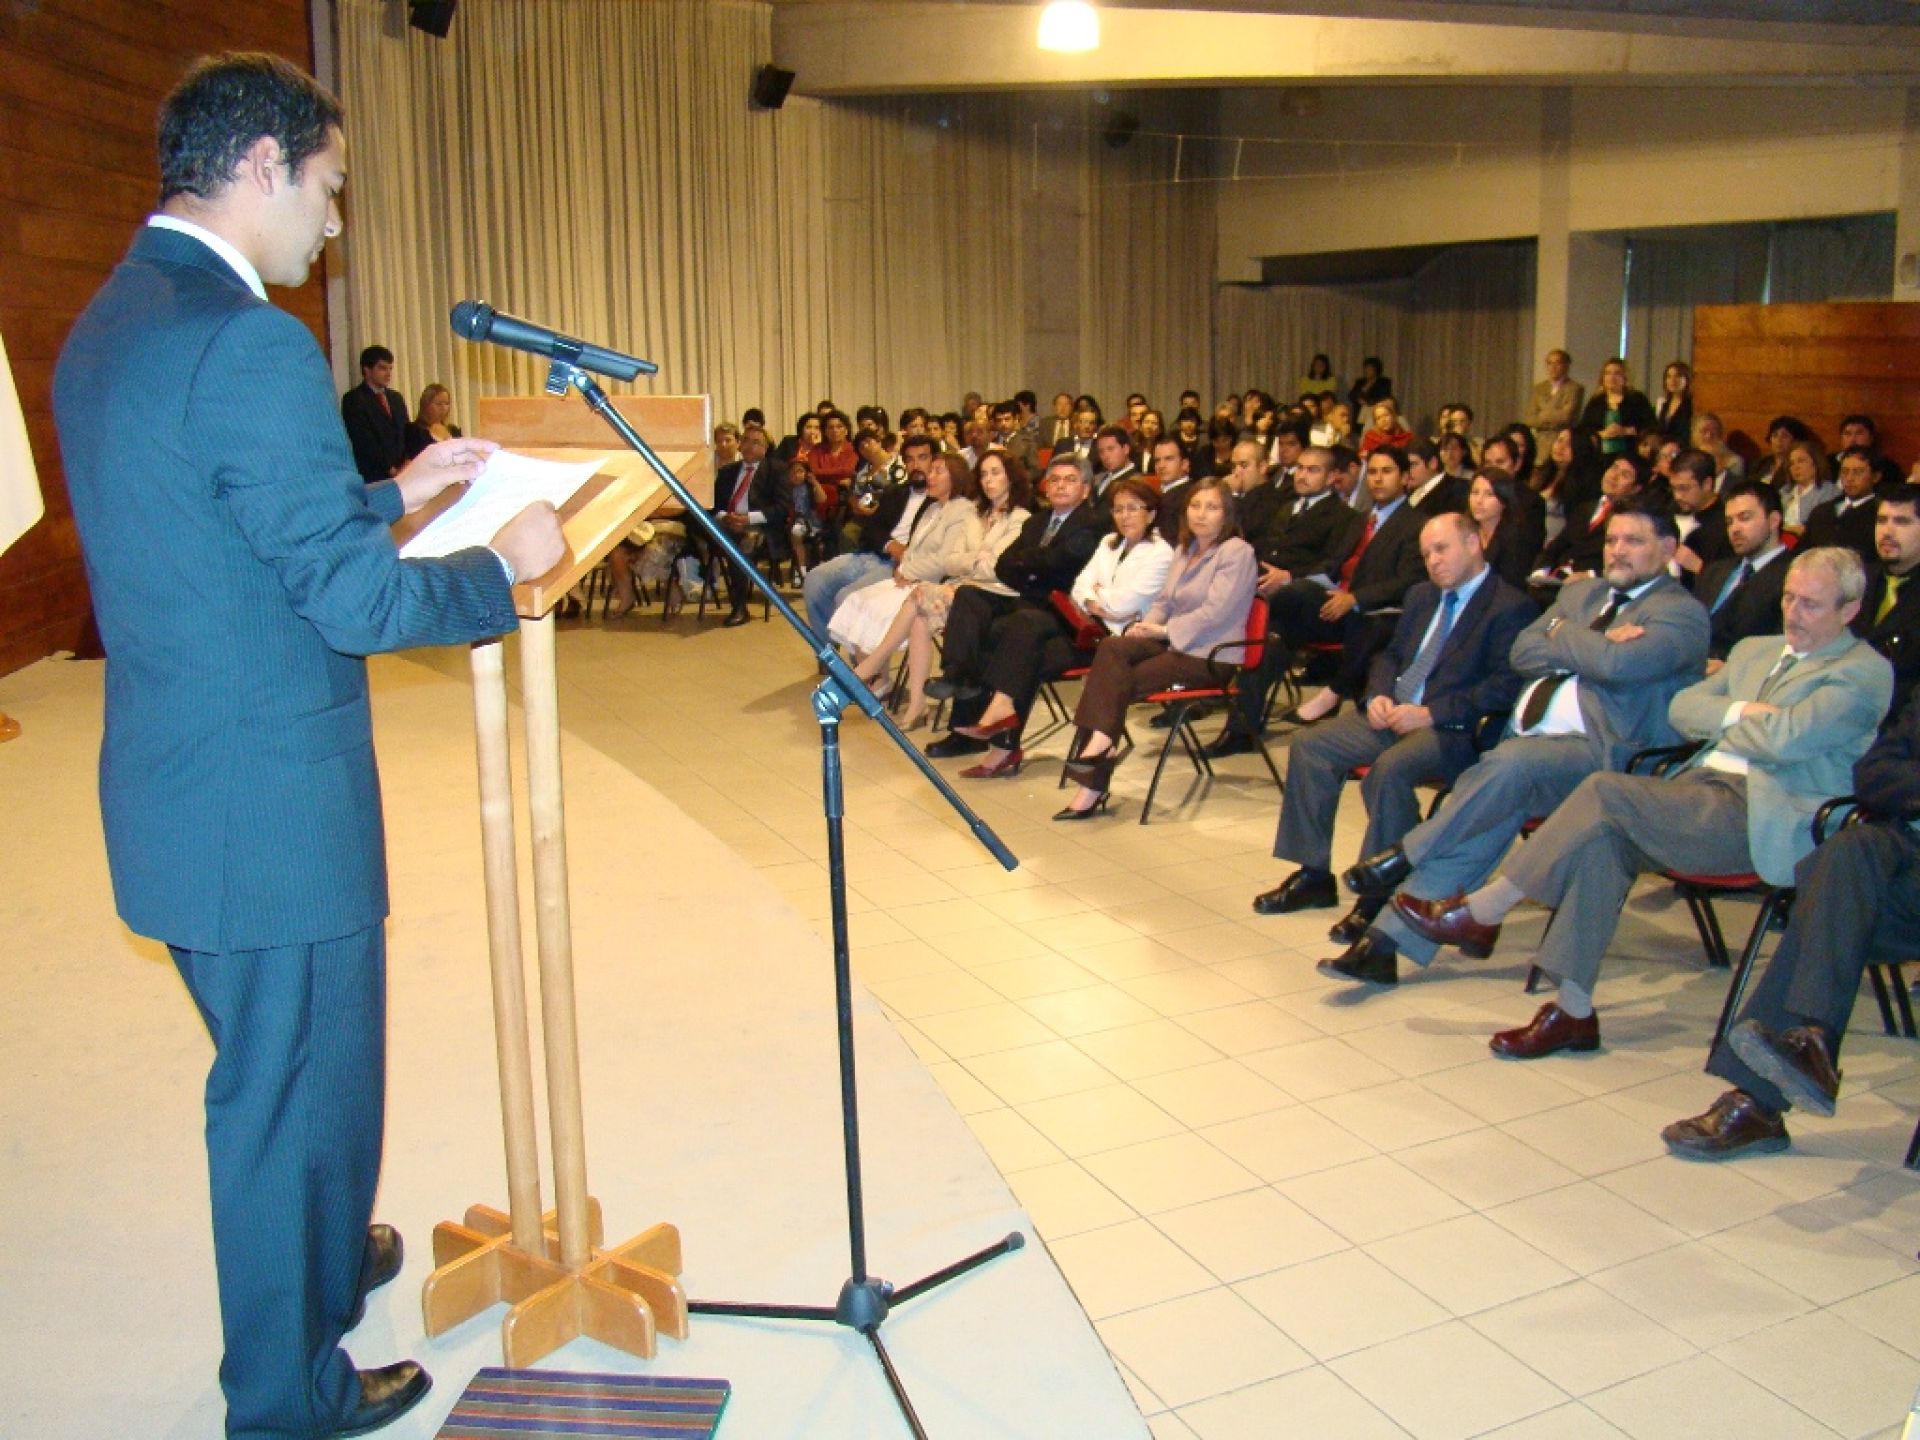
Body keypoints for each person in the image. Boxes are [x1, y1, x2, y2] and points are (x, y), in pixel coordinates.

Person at [52, 52, 567, 1440]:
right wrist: (506, 573)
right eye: (331, 188)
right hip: (263, 816)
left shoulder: (117, 316)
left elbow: (219, 517)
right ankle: (285, 1398)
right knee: (286, 1103)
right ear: (267, 164)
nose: (334, 224)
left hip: (186, 789)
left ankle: (327, 1263)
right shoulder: (247, 338)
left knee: (308, 1080)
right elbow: (351, 604)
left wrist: (387, 487)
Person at [1394, 548, 1889, 1060]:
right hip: (1695, 792)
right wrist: (1744, 711)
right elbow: (1683, 708)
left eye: (1810, 604)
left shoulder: (1862, 672)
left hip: (1761, 815)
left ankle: (1486, 908)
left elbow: (1786, 740)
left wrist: (1727, 717)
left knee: (1606, 790)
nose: (1792, 612)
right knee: (1603, 841)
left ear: (1849, 610)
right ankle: (1573, 1012)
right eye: (1788, 597)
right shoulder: (1754, 651)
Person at [1324, 502, 1710, 986]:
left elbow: (1618, 667)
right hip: (1538, 748)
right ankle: (1383, 946)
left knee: (1508, 766)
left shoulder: (1682, 614)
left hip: (1609, 751)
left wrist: (1561, 633)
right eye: (1612, 540)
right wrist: (1596, 640)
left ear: (1668, 549)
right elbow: (1524, 650)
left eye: (1633, 541)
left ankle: (1407, 854)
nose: (1617, 551)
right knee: (1489, 810)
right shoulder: (1586, 593)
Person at [1252, 513, 1535, 941]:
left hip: (1452, 728)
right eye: (1426, 554)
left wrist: (1431, 713)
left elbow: (1504, 687)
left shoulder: (1511, 606)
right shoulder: (1423, 596)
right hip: (1395, 711)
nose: (1433, 562)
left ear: (1474, 543)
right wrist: (1379, 694)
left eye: (1442, 549)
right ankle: (1313, 873)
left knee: (1390, 770)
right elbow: (1390, 655)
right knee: (1311, 746)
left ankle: (1377, 895)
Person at [1666, 691, 1920, 1157]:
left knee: (1825, 911)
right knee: (1844, 855)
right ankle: (1813, 1042)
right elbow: (1873, 772)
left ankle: (1761, 1099)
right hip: (1904, 849)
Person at [1056, 478, 1256, 819]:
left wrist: (1162, 631)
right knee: (1113, 648)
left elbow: (1215, 612)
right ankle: (1099, 753)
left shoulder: (1237, 552)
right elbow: (1164, 601)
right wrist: (1144, 627)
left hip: (1210, 654)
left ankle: (1092, 777)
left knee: (1112, 683)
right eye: (1195, 505)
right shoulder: (1185, 549)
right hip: (1174, 644)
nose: (1201, 514)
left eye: (1212, 507)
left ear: (1227, 513)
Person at [947, 476, 1172, 777]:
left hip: (1121, 642)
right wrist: (1096, 598)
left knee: (1026, 637)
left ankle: (1003, 738)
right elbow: (1079, 587)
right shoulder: (1108, 543)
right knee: (1023, 640)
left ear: (1152, 513)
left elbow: (1122, 605)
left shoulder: (1161, 553)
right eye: (1118, 509)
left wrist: (1096, 598)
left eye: (1133, 508)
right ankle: (1002, 727)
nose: (1124, 516)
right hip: (1088, 631)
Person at [925, 455, 1108, 761]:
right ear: (1046, 487)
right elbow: (1004, 565)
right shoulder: (1037, 521)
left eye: (1070, 480)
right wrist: (1036, 565)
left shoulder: (1092, 524)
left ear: (1086, 489)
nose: (1061, 486)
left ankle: (986, 733)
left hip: (1063, 616)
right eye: (1056, 480)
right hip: (1027, 601)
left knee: (1005, 631)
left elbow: (1063, 568)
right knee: (970, 597)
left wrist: (1030, 564)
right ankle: (960, 678)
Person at [850, 451, 1030, 730]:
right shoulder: (977, 513)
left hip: (996, 596)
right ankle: (917, 703)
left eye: (995, 473)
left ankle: (870, 667)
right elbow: (951, 560)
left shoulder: (1020, 518)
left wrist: (971, 561)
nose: (988, 480)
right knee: (920, 618)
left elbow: (997, 569)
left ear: (1011, 477)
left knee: (919, 595)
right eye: (983, 474)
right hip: (964, 589)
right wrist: (977, 558)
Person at [827, 452, 979, 661]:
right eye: (931, 471)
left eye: (938, 472)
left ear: (956, 477)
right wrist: (903, 567)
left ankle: (871, 676)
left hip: (932, 584)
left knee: (876, 609)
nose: (930, 477)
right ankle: (877, 680)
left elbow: (944, 560)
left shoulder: (963, 511)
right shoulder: (932, 508)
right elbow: (913, 549)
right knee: (857, 600)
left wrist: (907, 569)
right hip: (909, 576)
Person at [803, 433, 939, 636]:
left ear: (936, 461)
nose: (916, 465)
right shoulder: (896, 492)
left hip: (901, 566)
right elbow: (871, 530)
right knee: (814, 580)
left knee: (848, 597)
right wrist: (891, 545)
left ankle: (862, 666)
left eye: (923, 457)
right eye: (910, 460)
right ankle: (828, 653)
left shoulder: (941, 499)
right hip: (871, 554)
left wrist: (903, 553)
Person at [1696, 480, 1791, 664]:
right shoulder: (1714, 571)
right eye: (1729, 522)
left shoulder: (1794, 575)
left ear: (1773, 521)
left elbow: (1781, 645)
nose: (1734, 529)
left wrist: (1730, 669)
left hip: (1741, 675)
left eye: (1745, 518)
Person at [710, 425, 789, 627]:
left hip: (761, 529)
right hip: (727, 526)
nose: (748, 446)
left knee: (739, 541)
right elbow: (714, 506)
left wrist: (748, 519)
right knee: (702, 523)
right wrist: (725, 517)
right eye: (745, 440)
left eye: (756, 442)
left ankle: (739, 607)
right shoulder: (727, 472)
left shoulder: (776, 469)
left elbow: (781, 509)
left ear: (766, 448)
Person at [1799, 446, 1881, 567]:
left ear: (1876, 477)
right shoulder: (1822, 511)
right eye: (1845, 471)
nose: (1849, 478)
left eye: (1858, 472)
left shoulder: (1881, 514)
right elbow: (1802, 551)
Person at [341, 343, 409, 482]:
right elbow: (363, 440)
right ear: (367, 370)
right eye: (382, 368)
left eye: (390, 368)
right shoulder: (354, 399)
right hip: (374, 475)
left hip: (403, 472)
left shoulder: (396, 398)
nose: (388, 373)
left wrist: (407, 464)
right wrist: (390, 468)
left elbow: (406, 432)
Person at [1468, 464, 1534, 589]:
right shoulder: (1465, 530)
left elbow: (1512, 585)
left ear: (1504, 500)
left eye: (1489, 494)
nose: (1479, 501)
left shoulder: (1516, 538)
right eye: (1475, 492)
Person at [1577, 358, 1655, 458]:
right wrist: (1601, 434)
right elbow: (1584, 429)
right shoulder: (1596, 401)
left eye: (1617, 373)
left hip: (1631, 453)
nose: (1612, 377)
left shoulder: (1637, 399)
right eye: (1608, 373)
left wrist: (1626, 431)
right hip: (1600, 456)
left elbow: (1651, 426)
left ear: (1625, 377)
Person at [1524, 348, 1585, 452]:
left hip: (1563, 440)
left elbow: (1567, 416)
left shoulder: (1574, 388)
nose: (1553, 367)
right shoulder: (1538, 389)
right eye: (1549, 363)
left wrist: (1543, 415)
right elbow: (1529, 418)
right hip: (1541, 442)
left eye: (1558, 363)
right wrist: (1554, 414)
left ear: (1566, 366)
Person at [1779, 437, 1839, 535]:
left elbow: (1819, 529)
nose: (1795, 467)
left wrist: (1788, 531)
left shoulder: (1829, 491)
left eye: (1801, 461)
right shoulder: (1784, 492)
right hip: (1785, 543)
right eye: (1792, 463)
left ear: (1816, 464)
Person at [403, 382, 460, 458]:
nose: (443, 408)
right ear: (426, 405)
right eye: (439, 404)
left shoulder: (453, 430)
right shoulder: (414, 431)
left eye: (446, 403)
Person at [1653, 360, 1693, 442]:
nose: (1673, 380)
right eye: (1669, 376)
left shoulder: (1691, 405)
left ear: (1687, 379)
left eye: (1678, 376)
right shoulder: (1665, 405)